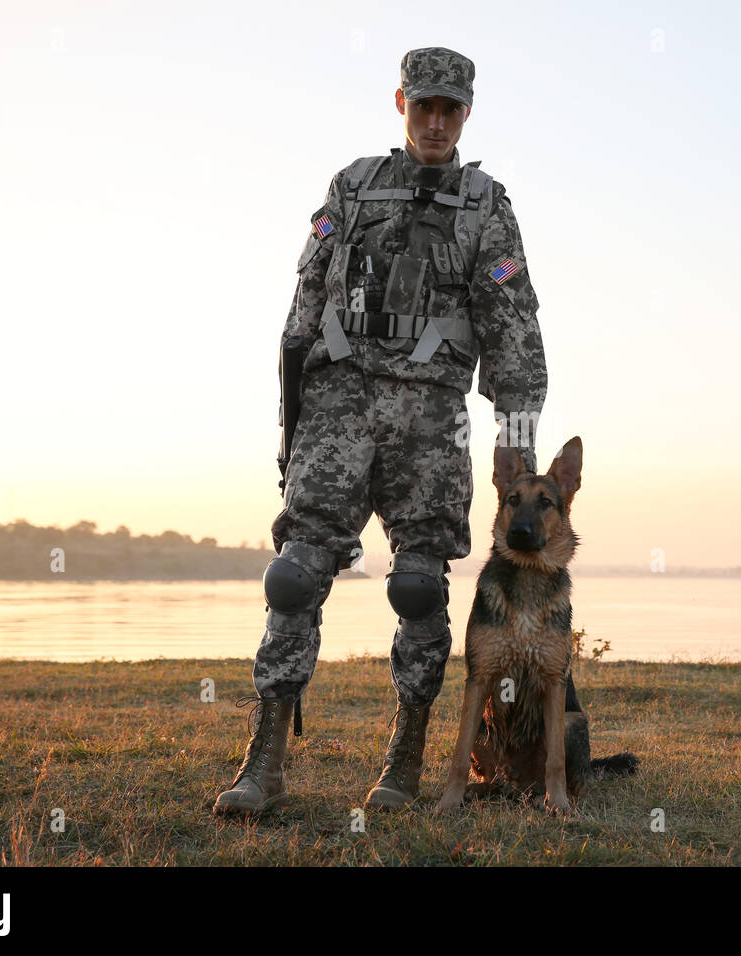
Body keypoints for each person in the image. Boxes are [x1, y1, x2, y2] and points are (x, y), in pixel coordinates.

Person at [214, 46, 547, 815]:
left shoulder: (485, 204)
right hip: (337, 408)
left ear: (467, 114)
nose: (435, 121)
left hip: (429, 417)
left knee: (416, 586)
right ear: (400, 102)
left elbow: (515, 327)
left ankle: (403, 758)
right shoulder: (353, 187)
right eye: (423, 105)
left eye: (450, 109)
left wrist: (517, 435)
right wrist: (291, 426)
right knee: (295, 575)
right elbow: (304, 303)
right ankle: (264, 761)